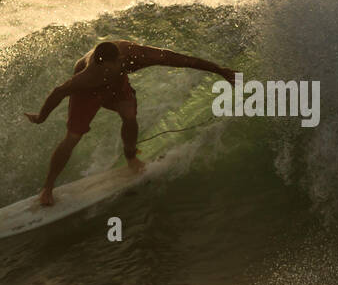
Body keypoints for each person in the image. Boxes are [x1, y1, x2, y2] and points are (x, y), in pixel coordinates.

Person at [24, 40, 236, 205]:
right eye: (116, 63)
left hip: (116, 85)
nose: (122, 63)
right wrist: (41, 117)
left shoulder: (131, 55)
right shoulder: (85, 78)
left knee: (129, 115)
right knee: (73, 137)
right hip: (88, 93)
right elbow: (58, 92)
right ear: (103, 65)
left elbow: (179, 59)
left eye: (120, 60)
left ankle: (131, 158)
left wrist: (220, 70)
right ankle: (48, 188)